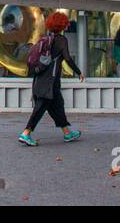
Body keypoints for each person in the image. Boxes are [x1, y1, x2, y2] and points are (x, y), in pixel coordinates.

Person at [19, 11, 84, 146]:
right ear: (63, 26)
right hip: (49, 82)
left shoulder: (46, 39)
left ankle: (67, 132)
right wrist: (78, 72)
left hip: (42, 79)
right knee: (40, 107)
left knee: (58, 106)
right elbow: (67, 58)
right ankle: (26, 133)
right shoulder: (61, 40)